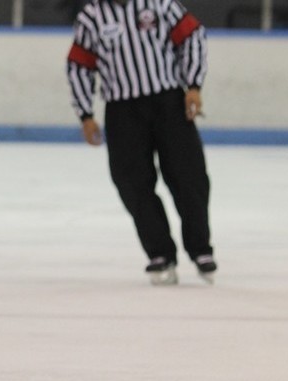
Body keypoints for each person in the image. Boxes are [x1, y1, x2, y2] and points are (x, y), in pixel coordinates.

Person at [66, 0, 217, 285]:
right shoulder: (92, 16)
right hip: (122, 110)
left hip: (169, 103)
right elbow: (79, 65)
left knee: (189, 175)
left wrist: (194, 85)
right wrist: (85, 114)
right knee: (132, 182)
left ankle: (200, 248)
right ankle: (160, 252)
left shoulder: (160, 4)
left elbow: (193, 35)